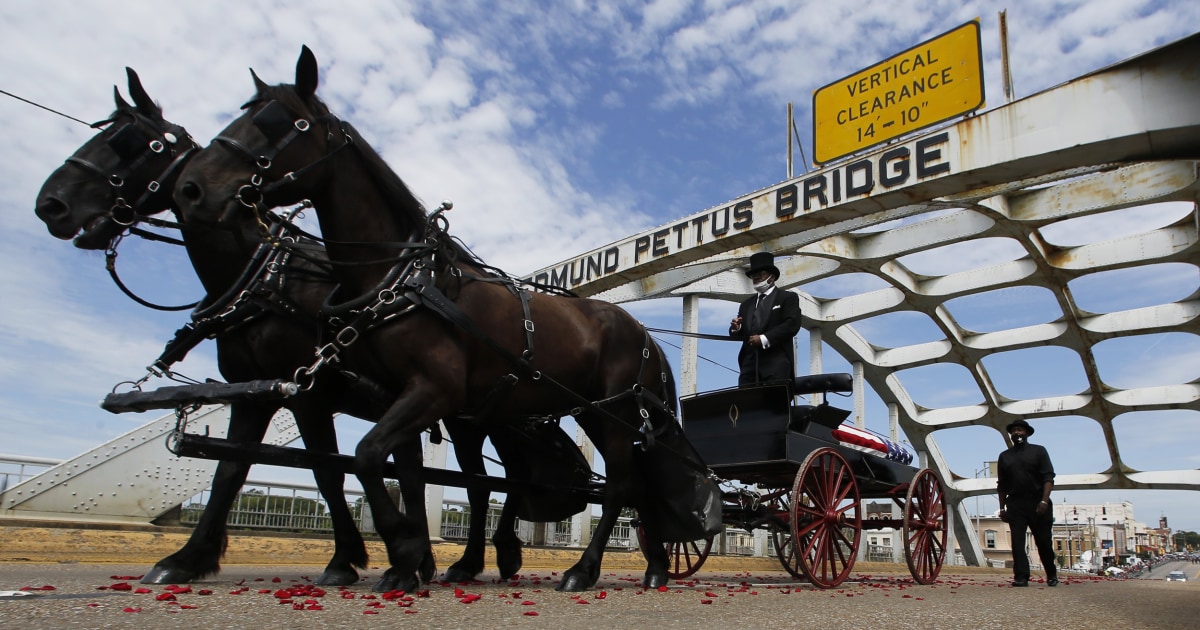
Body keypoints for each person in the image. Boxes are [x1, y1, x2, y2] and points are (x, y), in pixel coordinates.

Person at [996, 418, 1058, 587]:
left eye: (1020, 430)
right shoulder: (1004, 456)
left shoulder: (1039, 451)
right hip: (1016, 503)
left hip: (1038, 501)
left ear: (1027, 433)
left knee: (1043, 541)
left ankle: (1051, 574)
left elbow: (1048, 477)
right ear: (1010, 434)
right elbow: (1002, 484)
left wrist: (1044, 501)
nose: (1017, 433)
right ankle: (1021, 576)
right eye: (1014, 430)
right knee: (1017, 542)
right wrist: (1002, 508)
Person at [728, 251, 802, 386]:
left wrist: (763, 339)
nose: (756, 278)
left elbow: (792, 325)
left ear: (772, 277)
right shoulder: (746, 305)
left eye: (760, 274)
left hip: (776, 365)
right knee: (747, 404)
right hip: (748, 368)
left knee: (774, 405)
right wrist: (736, 329)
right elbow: (740, 336)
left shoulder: (787, 298)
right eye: (753, 276)